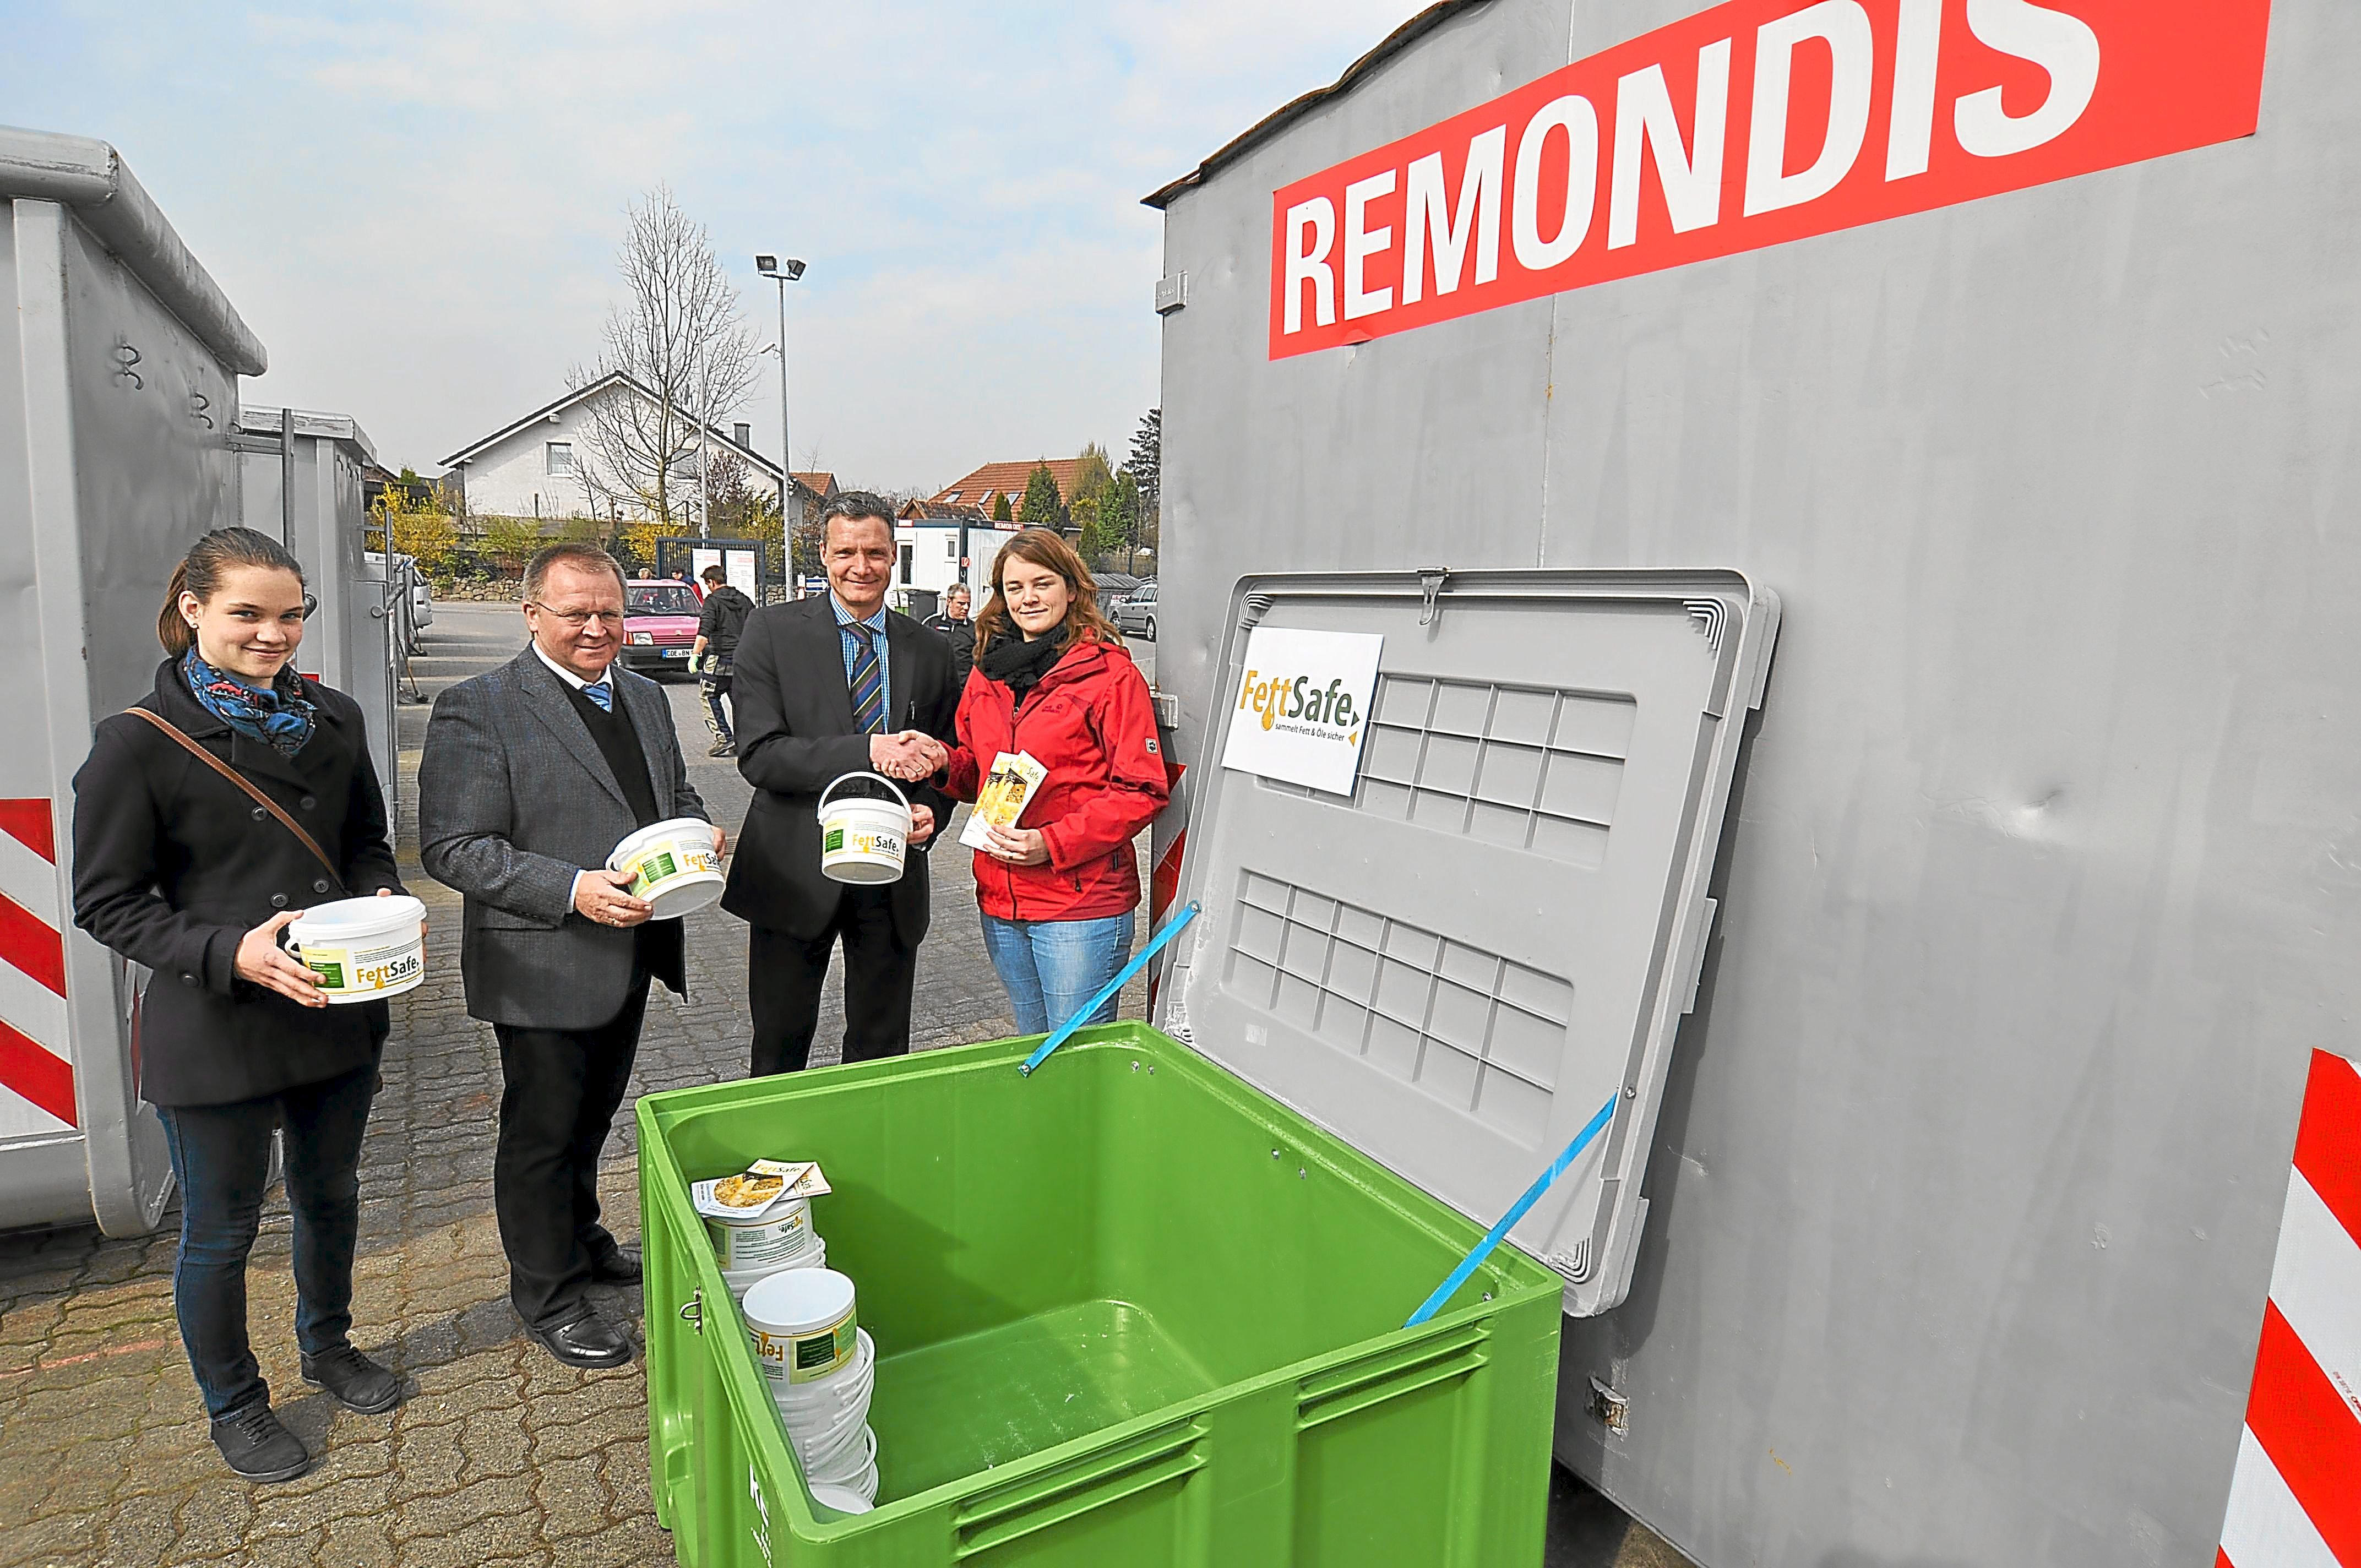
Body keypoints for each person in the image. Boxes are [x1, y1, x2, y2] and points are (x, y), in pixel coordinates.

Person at [72, 528, 407, 1483]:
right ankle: (236, 1402)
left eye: (290, 614)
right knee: (220, 1230)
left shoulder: (334, 718)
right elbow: (107, 902)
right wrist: (231, 951)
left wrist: (379, 897)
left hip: (332, 1007)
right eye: (248, 614)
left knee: (329, 1195)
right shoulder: (136, 741)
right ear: (193, 612)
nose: (274, 633)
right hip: (213, 1021)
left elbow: (367, 841)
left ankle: (329, 1344)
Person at [417, 543, 720, 1369]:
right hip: (544, 960)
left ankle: (583, 1241)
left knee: (592, 1117)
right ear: (532, 615)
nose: (596, 628)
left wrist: (695, 831)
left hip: (631, 951)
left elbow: (674, 794)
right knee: (542, 1133)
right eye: (576, 613)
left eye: (609, 613)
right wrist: (571, 888)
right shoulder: (479, 706)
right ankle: (547, 1293)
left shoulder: (649, 700)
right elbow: (452, 847)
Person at [721, 492, 959, 1075]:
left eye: (875, 552)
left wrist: (931, 812)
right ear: (823, 554)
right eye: (846, 551)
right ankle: (774, 1159)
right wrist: (869, 750)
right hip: (793, 871)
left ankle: (868, 1155)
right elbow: (760, 755)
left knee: (881, 1049)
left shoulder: (929, 648)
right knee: (779, 1040)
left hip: (891, 871)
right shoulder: (770, 631)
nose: (861, 566)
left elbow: (945, 755)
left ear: (894, 556)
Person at [939, 530, 1169, 1034]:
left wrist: (1052, 843)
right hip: (1000, 898)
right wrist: (938, 763)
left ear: (1071, 587)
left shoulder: (1109, 675)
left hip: (1079, 905)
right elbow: (977, 772)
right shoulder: (988, 674)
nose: (1029, 598)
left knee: (1073, 1053)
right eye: (1014, 587)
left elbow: (1141, 789)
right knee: (1032, 1041)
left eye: (1041, 583)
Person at [690, 563, 754, 757]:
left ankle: (724, 738)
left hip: (719, 658)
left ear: (711, 582)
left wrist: (695, 655)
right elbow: (756, 625)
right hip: (743, 658)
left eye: (707, 583)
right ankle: (745, 740)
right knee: (740, 700)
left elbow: (705, 630)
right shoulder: (744, 600)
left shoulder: (712, 601)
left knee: (708, 695)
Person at [923, 582, 977, 693]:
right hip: (935, 690)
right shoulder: (932, 623)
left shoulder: (975, 629)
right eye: (961, 604)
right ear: (949, 601)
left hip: (962, 691)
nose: (966, 608)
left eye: (968, 604)